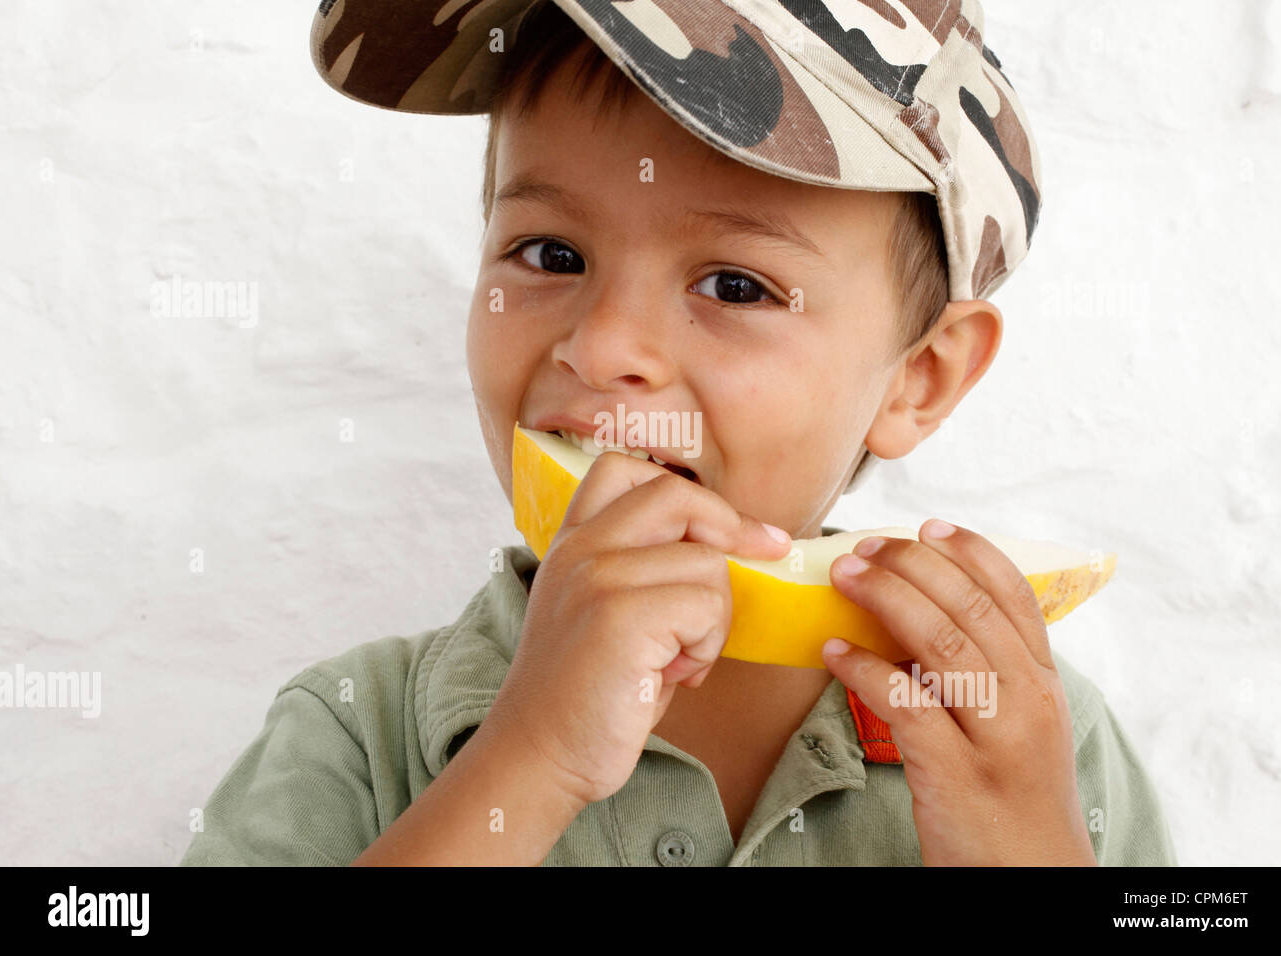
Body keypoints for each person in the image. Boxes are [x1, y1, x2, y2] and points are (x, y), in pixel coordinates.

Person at [180, 0, 1176, 866]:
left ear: (918, 377)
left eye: (735, 284)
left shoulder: (1032, 743)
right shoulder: (357, 732)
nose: (604, 344)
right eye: (549, 251)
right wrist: (529, 760)